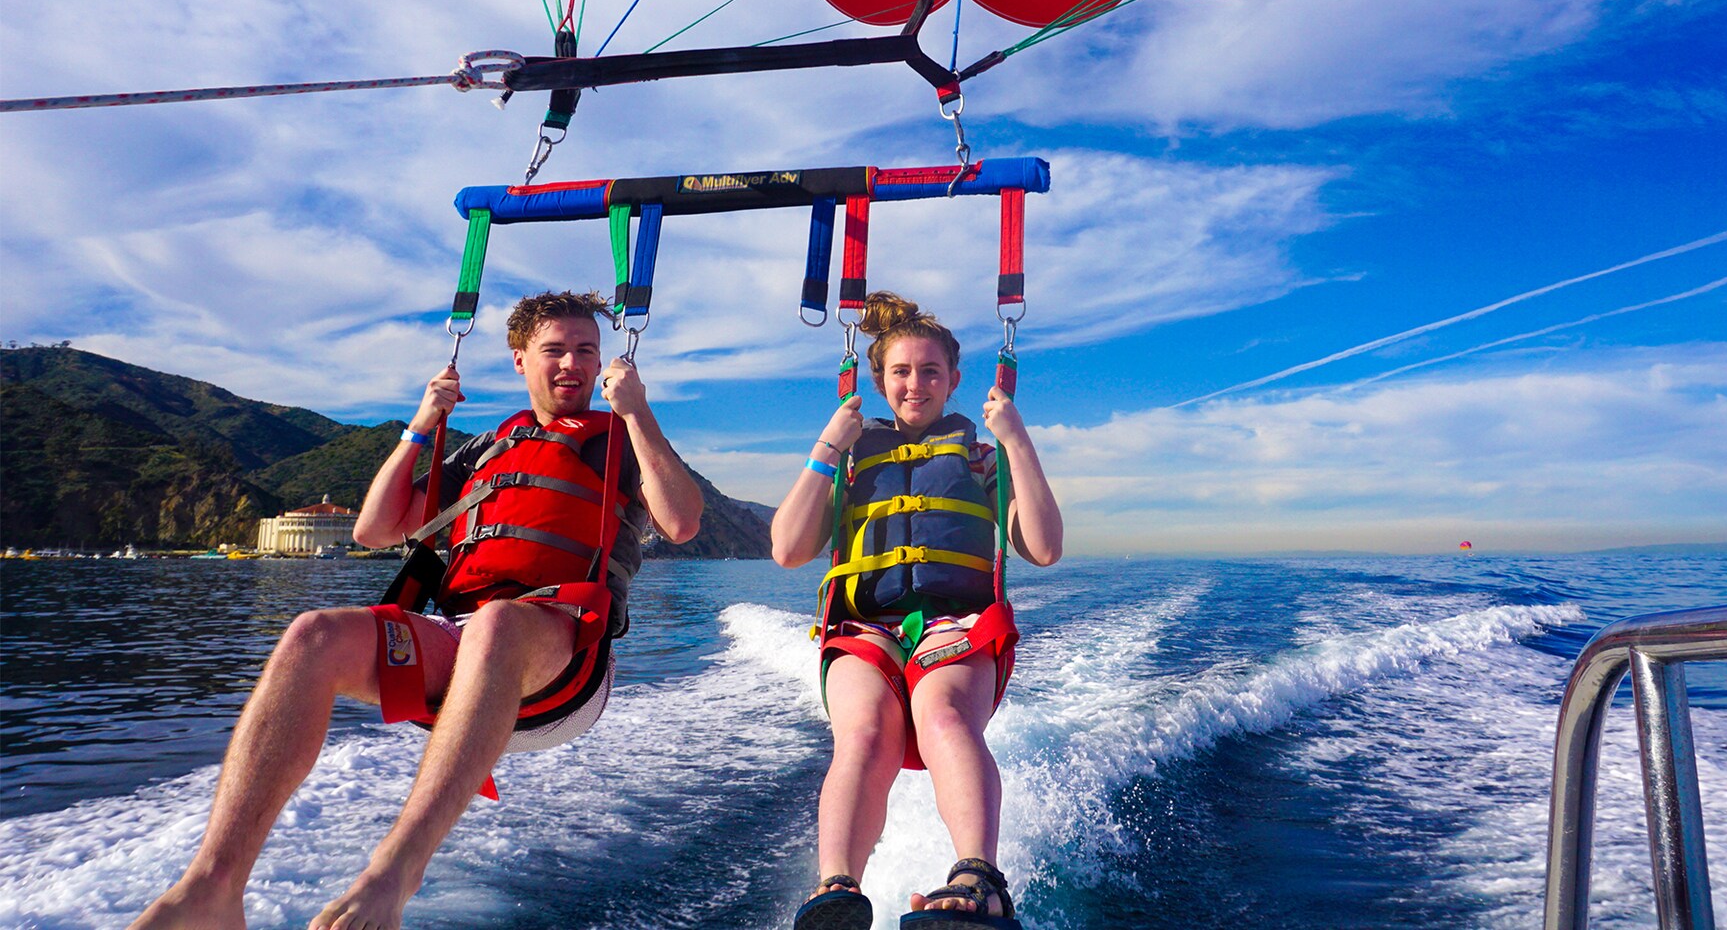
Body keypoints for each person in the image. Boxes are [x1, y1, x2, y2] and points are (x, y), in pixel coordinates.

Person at [131, 290, 703, 930]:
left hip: (566, 662)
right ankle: (211, 890)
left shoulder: (623, 443)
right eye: (555, 350)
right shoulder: (486, 449)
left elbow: (681, 522)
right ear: (520, 359)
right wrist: (420, 426)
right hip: (457, 644)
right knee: (313, 633)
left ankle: (395, 871)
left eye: (586, 351)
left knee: (498, 622)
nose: (572, 364)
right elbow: (373, 530)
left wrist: (638, 413)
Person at [772, 292, 1063, 929]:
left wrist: (1015, 440)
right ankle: (836, 891)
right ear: (878, 381)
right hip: (864, 628)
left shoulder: (980, 457)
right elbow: (788, 549)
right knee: (863, 732)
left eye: (931, 371)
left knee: (944, 716)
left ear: (954, 380)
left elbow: (1043, 547)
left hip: (957, 623)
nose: (915, 384)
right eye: (901, 371)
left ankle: (978, 880)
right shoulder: (852, 461)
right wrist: (827, 446)